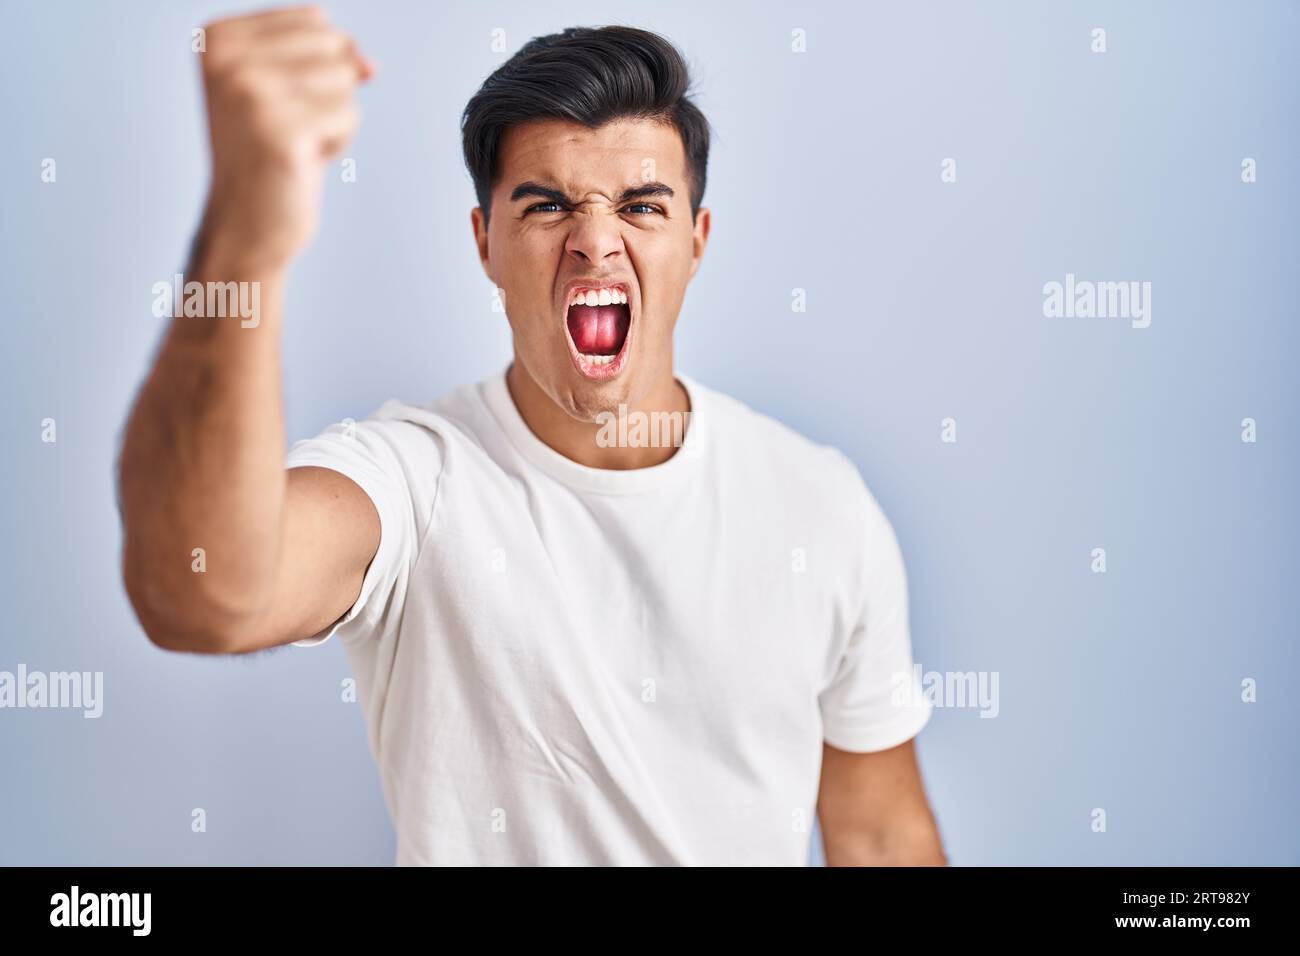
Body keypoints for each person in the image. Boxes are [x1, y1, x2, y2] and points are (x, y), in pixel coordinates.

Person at [118, 5, 946, 866]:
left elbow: (882, 836)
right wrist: (245, 234)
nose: (595, 243)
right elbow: (197, 593)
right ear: (486, 244)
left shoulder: (819, 504)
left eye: (641, 206)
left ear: (696, 244)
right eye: (547, 206)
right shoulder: (412, 483)